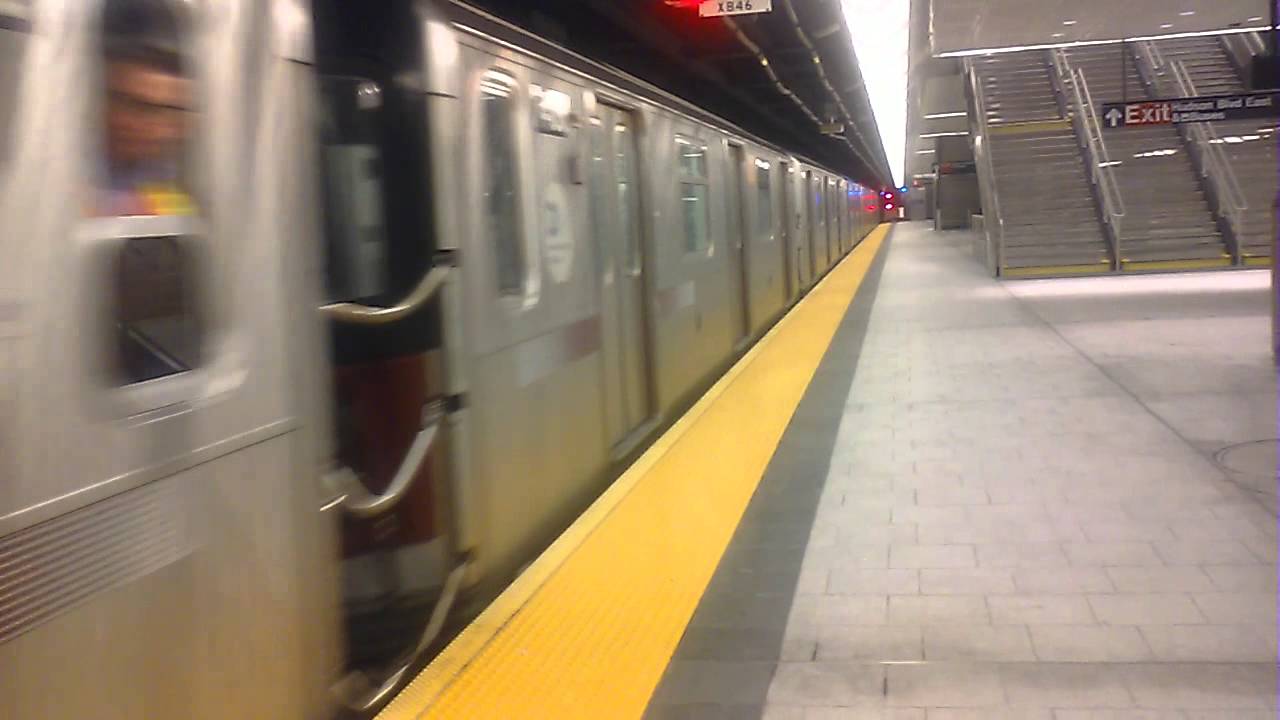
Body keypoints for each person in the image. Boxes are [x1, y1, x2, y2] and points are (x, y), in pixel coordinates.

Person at [99, 32, 194, 216]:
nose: (158, 128)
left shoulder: (167, 184)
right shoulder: (53, 175)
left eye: (172, 110)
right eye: (138, 106)